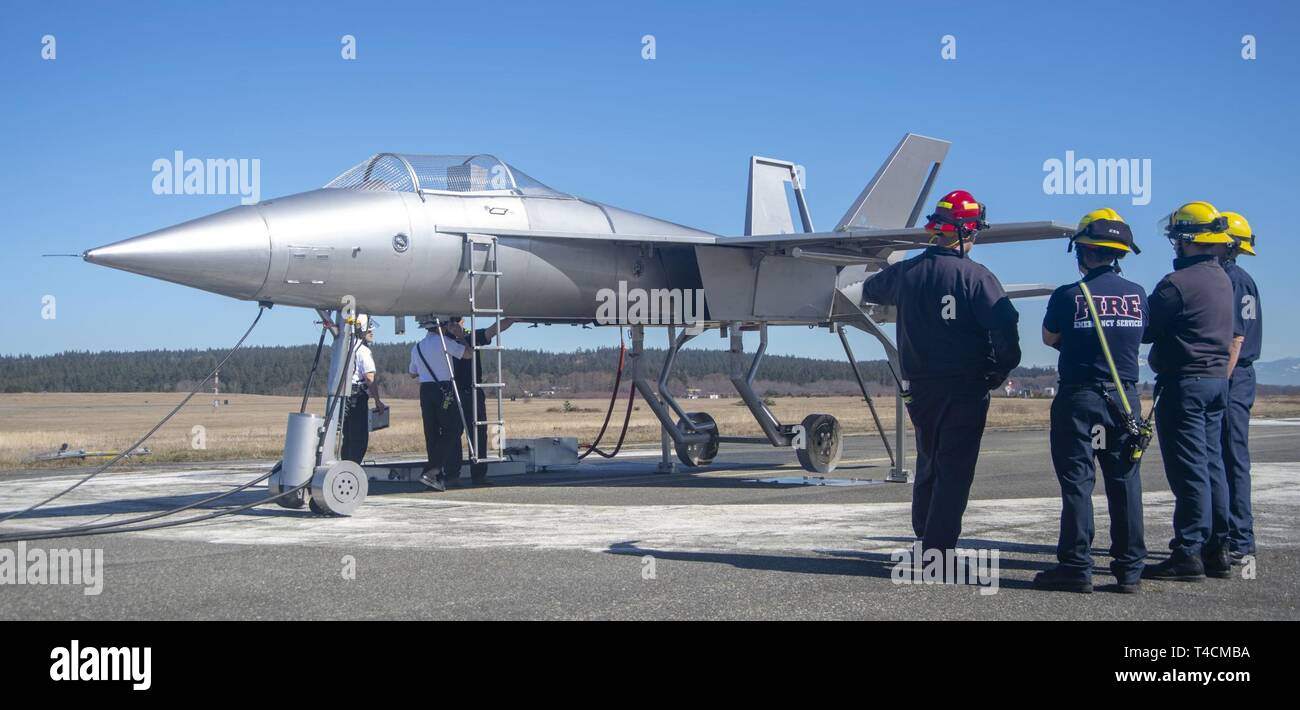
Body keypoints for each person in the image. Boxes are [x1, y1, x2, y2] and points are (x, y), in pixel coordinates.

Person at [860, 189, 1021, 563]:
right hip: (965, 386)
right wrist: (1001, 368)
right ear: (965, 233)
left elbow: (870, 289)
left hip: (919, 387)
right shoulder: (977, 277)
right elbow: (1005, 327)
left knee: (929, 460)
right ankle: (938, 549)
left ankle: (925, 536)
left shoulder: (906, 273)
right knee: (955, 467)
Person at [1035, 209, 1147, 594]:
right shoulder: (1137, 295)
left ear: (1082, 252)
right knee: (1125, 481)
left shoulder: (1069, 295)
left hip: (1080, 397)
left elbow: (1050, 338)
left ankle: (1076, 566)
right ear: (1118, 254)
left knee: (1078, 485)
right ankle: (1130, 568)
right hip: (1125, 398)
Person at [1141, 201, 1235, 582]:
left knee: (1189, 470)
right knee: (1213, 466)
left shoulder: (1176, 284)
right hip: (1215, 381)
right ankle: (1218, 549)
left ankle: (1188, 551)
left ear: (1187, 240)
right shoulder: (1222, 278)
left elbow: (1145, 328)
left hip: (1186, 383)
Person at [1216, 211, 1262, 563]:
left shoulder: (1233, 279)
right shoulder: (1232, 277)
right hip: (1235, 374)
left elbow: (1235, 339)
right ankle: (1228, 534)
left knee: (1232, 455)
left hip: (1233, 376)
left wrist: (1221, 381)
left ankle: (1239, 537)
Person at [445, 316, 514, 487]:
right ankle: (452, 475)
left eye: (457, 320)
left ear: (463, 322)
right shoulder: (442, 341)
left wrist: (513, 319)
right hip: (452, 392)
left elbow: (492, 330)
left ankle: (479, 475)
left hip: (473, 390)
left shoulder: (471, 337)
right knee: (452, 434)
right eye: (451, 321)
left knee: (478, 433)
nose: (455, 324)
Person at [408, 318, 473, 492]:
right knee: (453, 429)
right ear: (441, 327)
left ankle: (435, 476)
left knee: (432, 433)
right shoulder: (446, 343)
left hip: (426, 389)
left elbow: (412, 373)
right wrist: (461, 336)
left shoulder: (417, 347)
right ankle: (431, 471)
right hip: (444, 388)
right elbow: (468, 354)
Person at [340, 314, 386, 465]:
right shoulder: (363, 350)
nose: (372, 333)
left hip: (344, 396)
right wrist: (378, 401)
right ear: (361, 330)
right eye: (369, 330)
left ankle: (346, 465)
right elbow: (369, 378)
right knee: (359, 437)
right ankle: (353, 467)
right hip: (358, 396)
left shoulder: (344, 346)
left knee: (348, 436)